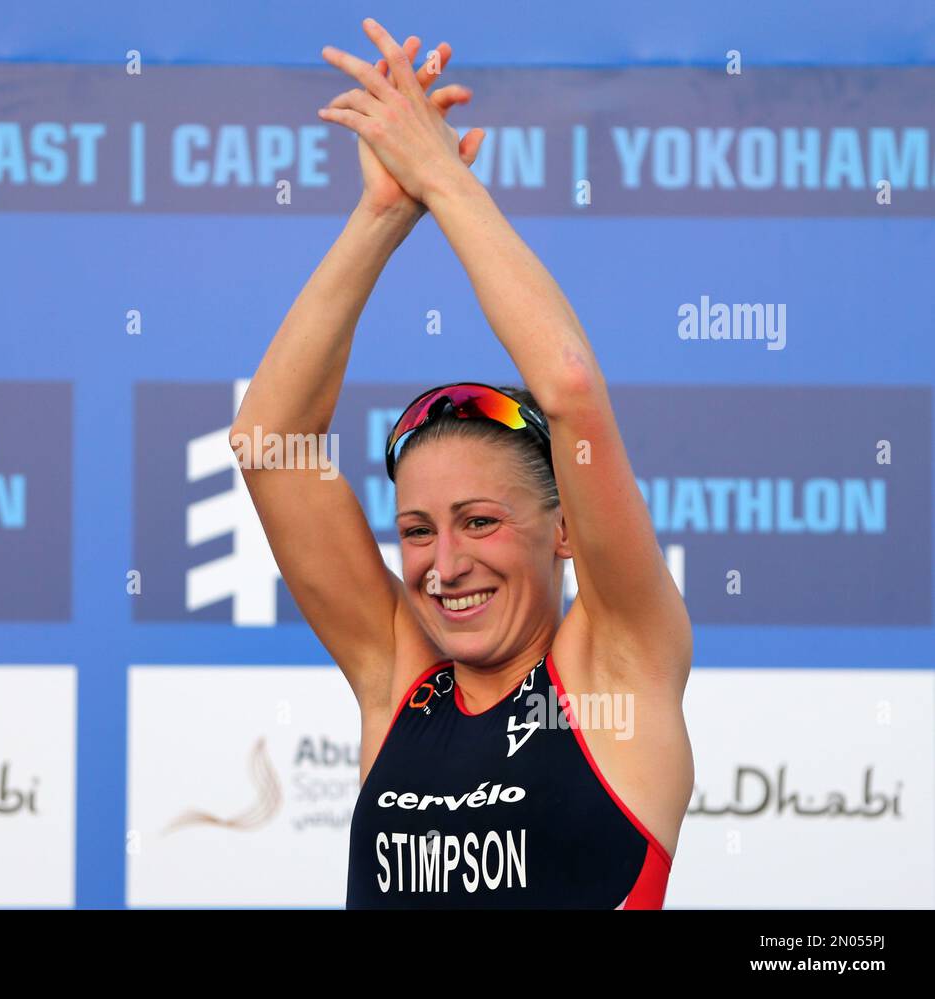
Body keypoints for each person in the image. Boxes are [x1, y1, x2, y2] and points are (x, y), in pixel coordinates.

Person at [229, 18, 693, 908]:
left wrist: (444, 178)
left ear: (563, 529)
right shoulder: (401, 680)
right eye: (416, 530)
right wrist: (381, 213)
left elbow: (567, 384)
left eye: (480, 521)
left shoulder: (617, 669)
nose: (444, 564)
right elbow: (266, 440)